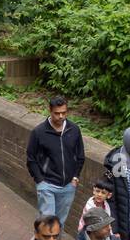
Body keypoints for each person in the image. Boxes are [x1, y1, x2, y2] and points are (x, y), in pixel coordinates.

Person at [25, 95, 85, 230]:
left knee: (60, 224)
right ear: (50, 111)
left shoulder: (74, 130)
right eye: (57, 113)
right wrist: (39, 180)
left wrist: (75, 177)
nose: (61, 116)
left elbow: (80, 156)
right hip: (47, 185)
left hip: (68, 186)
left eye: (64, 112)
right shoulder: (39, 132)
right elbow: (31, 158)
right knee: (47, 223)